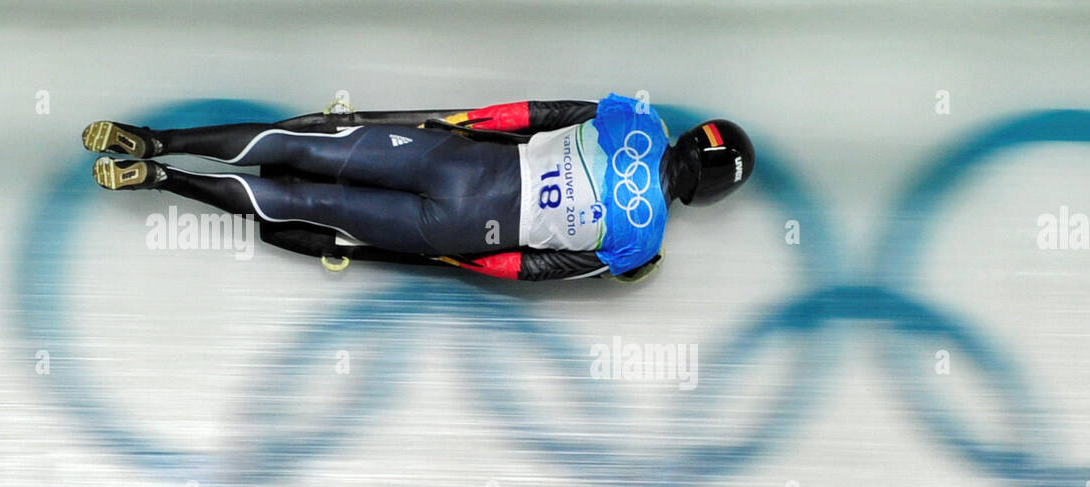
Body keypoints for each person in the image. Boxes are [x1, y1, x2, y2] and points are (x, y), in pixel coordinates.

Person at [82, 94, 755, 281]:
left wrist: (462, 124)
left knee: (305, 146)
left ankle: (157, 142)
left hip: (459, 163)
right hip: (464, 229)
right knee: (306, 203)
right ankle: (164, 180)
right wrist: (465, 259)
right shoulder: (643, 242)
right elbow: (533, 269)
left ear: (695, 138)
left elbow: (537, 114)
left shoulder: (639, 120)